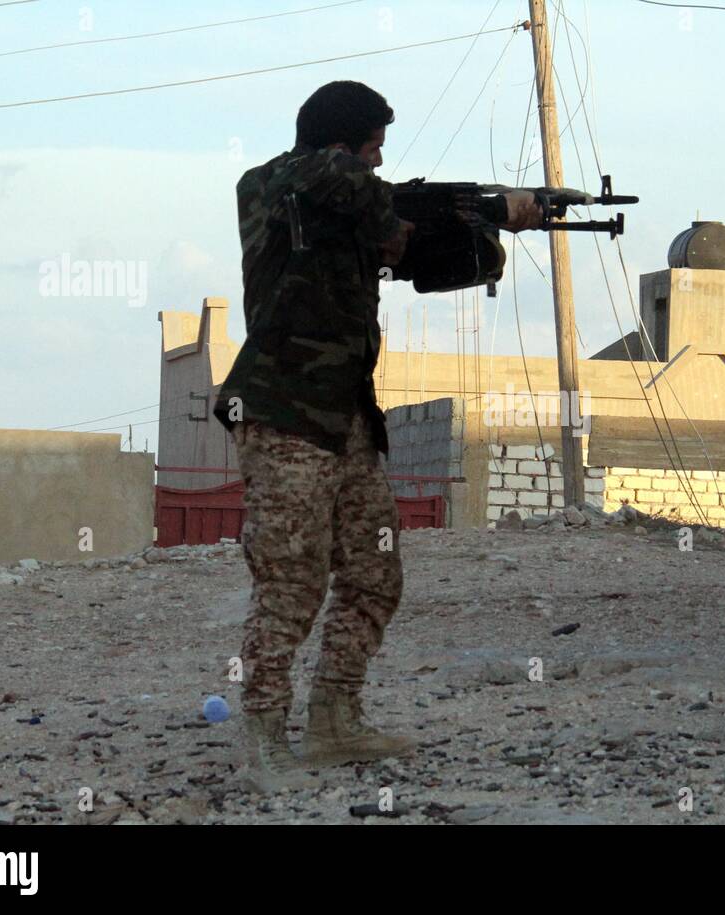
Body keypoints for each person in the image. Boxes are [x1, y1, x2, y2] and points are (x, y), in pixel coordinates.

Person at [213, 80, 541, 792]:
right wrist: (478, 205)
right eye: (373, 147)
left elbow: (417, 255)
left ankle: (335, 716)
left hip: (348, 418)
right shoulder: (281, 184)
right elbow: (353, 190)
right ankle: (265, 735)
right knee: (291, 578)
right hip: (286, 409)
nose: (380, 161)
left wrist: (485, 231)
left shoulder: (347, 211)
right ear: (341, 143)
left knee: (373, 572)